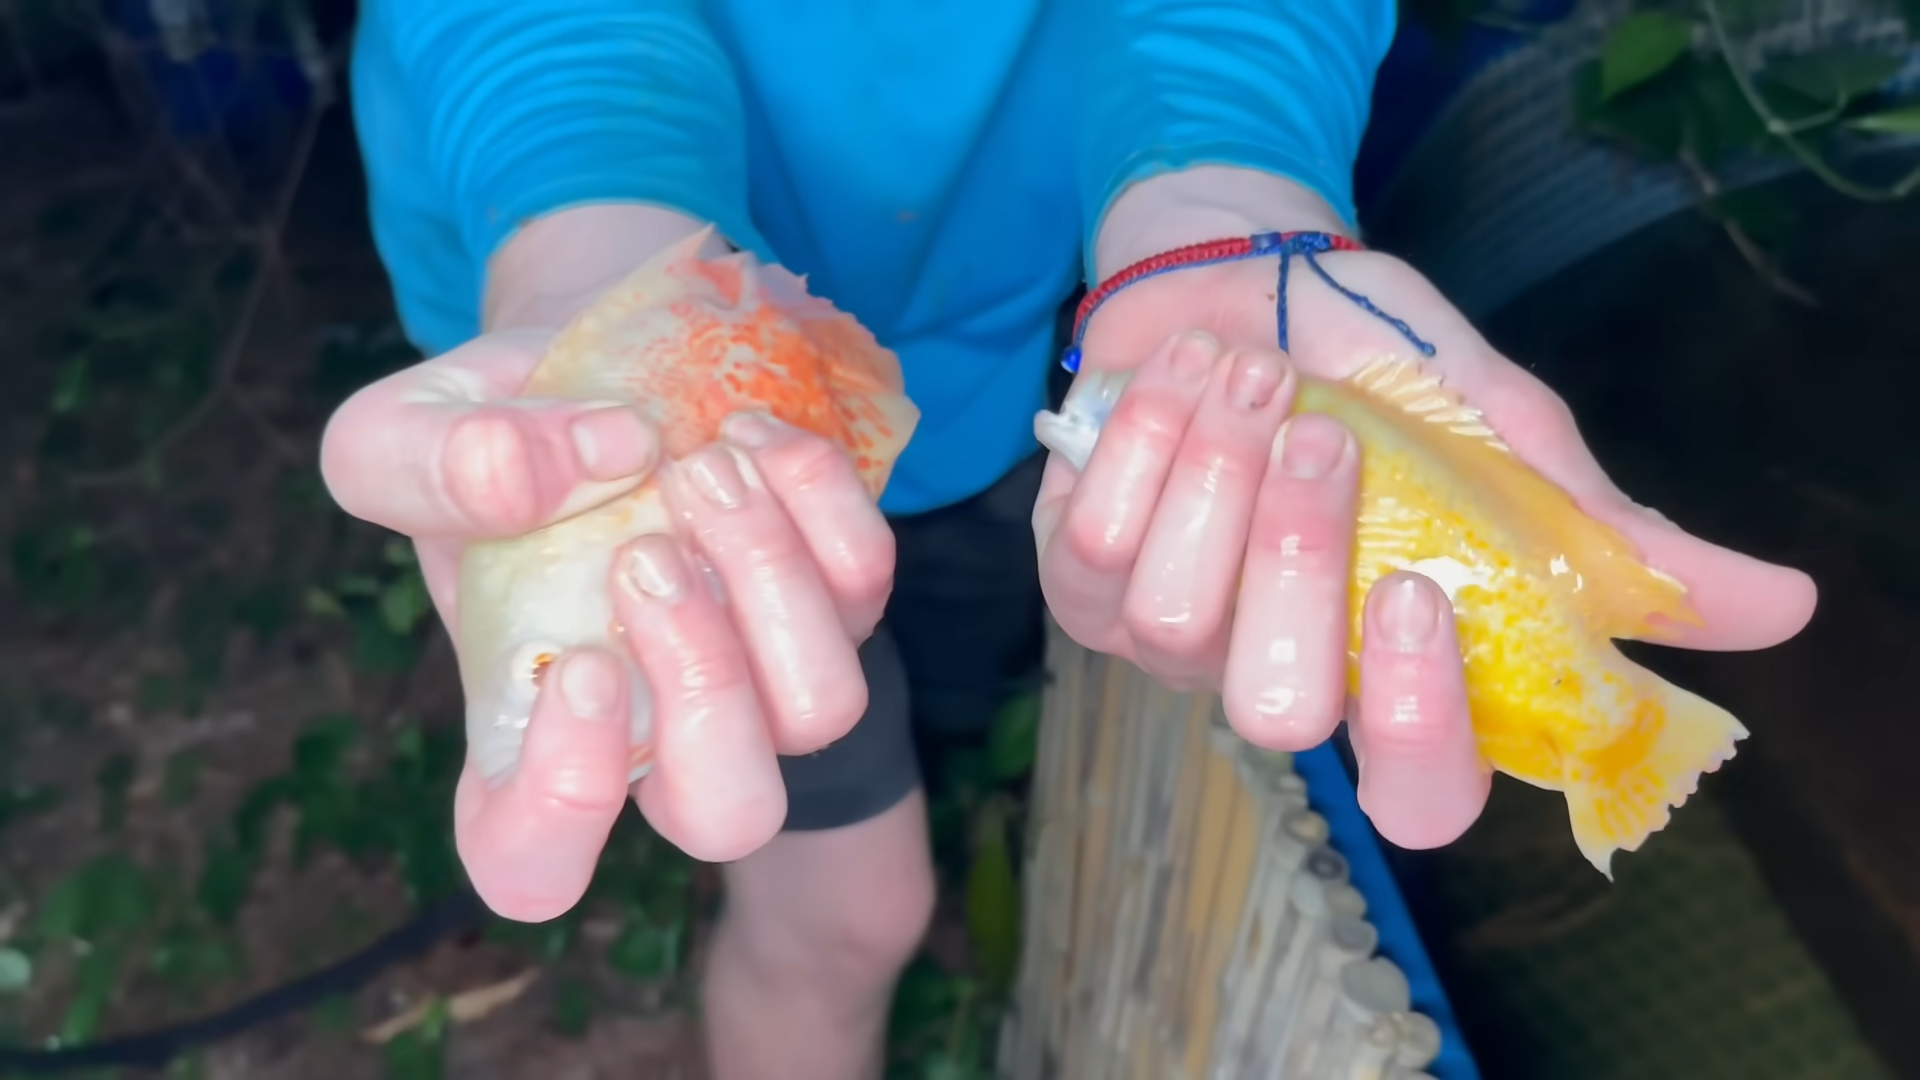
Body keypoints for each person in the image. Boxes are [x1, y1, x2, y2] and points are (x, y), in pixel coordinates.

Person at [321, 2, 1819, 1076]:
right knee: (847, 914)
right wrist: (605, 293)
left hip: (1033, 340)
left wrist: (1230, 206)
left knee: (976, 632)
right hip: (642, 395)